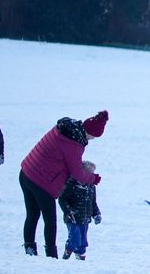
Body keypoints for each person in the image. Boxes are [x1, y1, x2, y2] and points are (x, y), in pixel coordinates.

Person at [19, 111, 107, 258]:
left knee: (32, 214)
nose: (92, 139)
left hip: (26, 171)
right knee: (50, 220)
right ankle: (51, 255)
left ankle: (29, 248)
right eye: (93, 136)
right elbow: (77, 172)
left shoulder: (64, 130)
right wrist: (93, 179)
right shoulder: (74, 144)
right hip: (41, 181)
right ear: (88, 132)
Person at [59, 161, 101, 261]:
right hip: (73, 218)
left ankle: (80, 254)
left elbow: (93, 203)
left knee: (83, 239)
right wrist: (68, 211)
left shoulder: (91, 187)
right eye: (89, 173)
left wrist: (96, 214)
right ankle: (68, 251)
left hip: (85, 218)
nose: (91, 176)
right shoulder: (72, 185)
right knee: (74, 237)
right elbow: (62, 199)